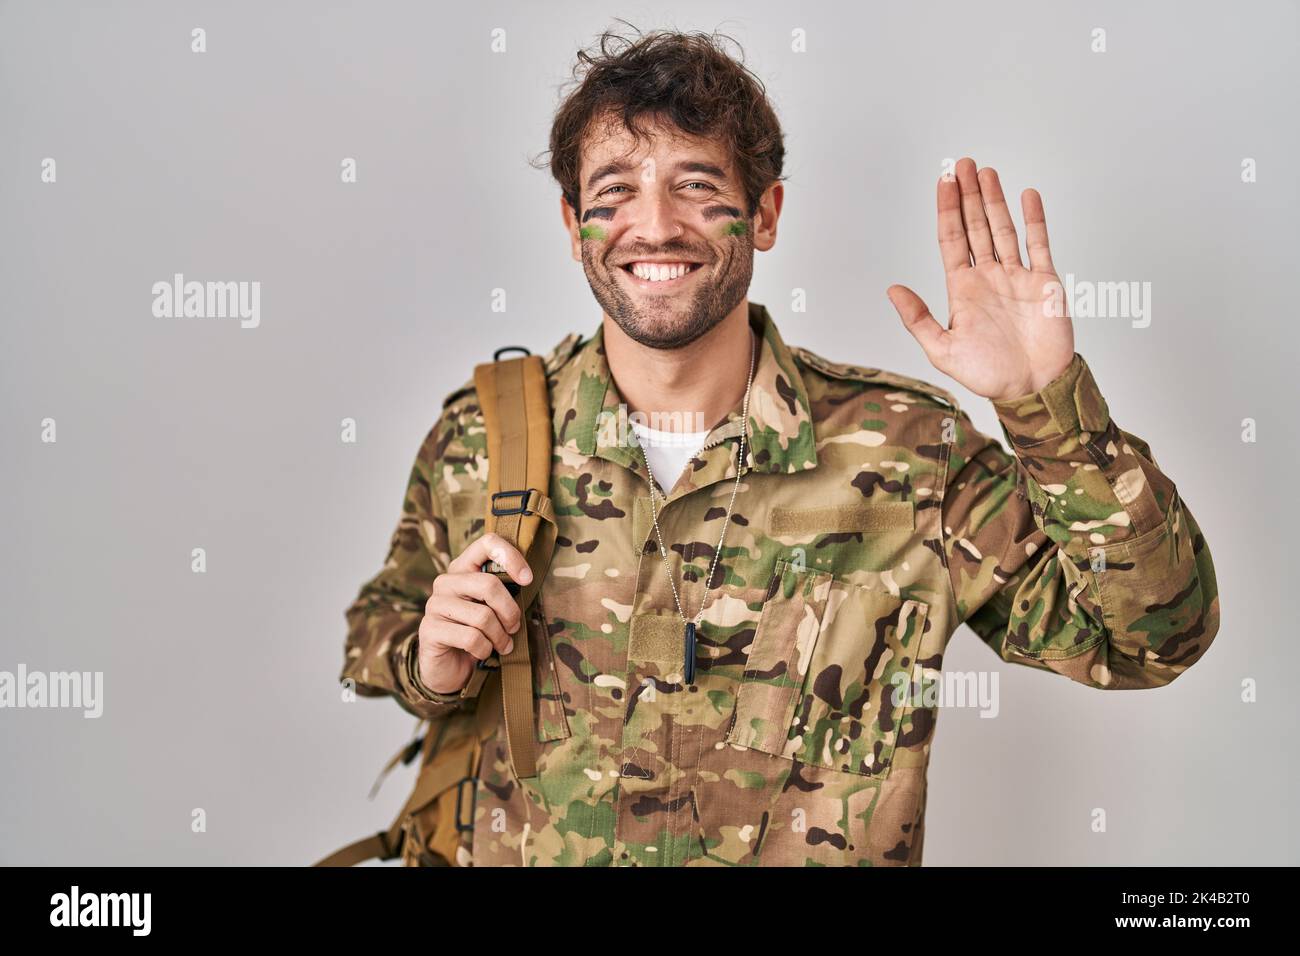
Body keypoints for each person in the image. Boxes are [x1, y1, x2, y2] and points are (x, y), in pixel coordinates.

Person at [340, 28, 1220, 866]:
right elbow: (374, 632)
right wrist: (427, 660)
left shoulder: (914, 453)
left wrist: (1045, 408)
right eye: (613, 194)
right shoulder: (484, 437)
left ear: (765, 215)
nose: (655, 227)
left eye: (696, 186)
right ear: (575, 229)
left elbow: (1152, 641)